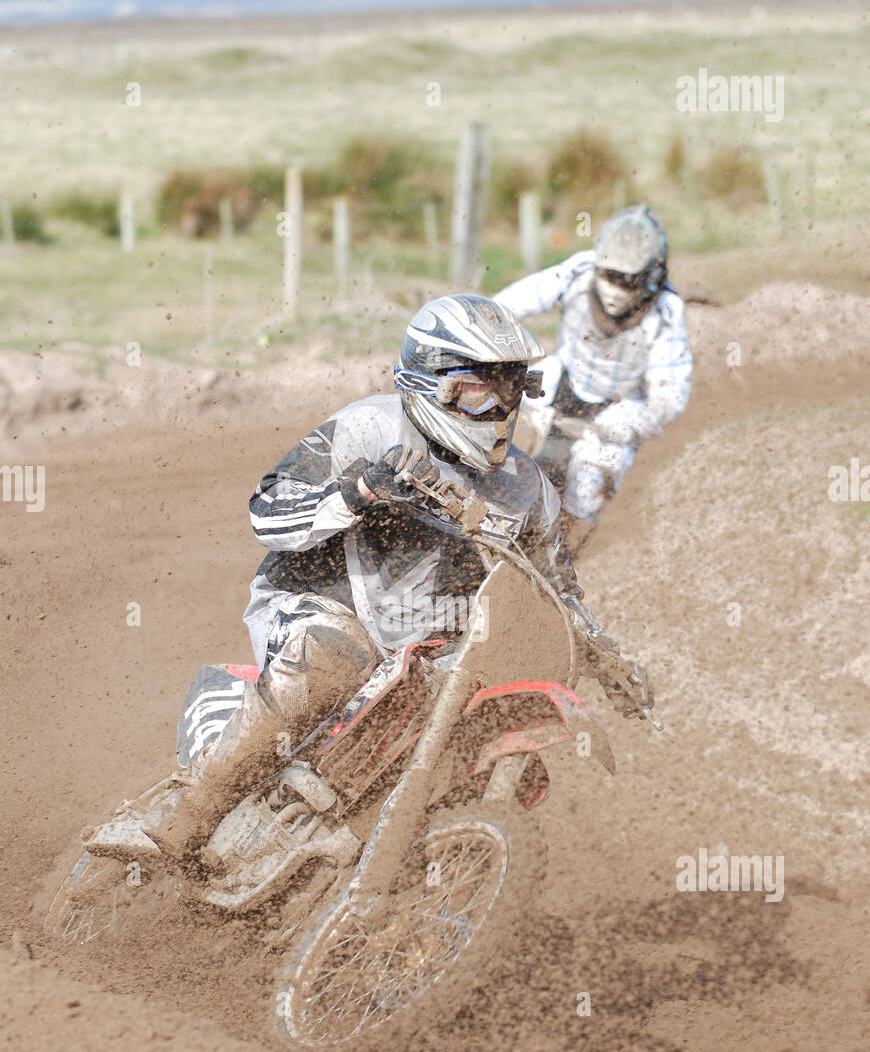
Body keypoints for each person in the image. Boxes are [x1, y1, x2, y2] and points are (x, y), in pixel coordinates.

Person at [94, 294, 654, 868]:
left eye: (512, 387)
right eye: (479, 387)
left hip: (428, 652)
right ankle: (179, 818)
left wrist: (606, 658)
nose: (499, 406)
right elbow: (267, 510)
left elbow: (557, 588)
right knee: (336, 653)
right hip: (317, 607)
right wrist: (357, 492)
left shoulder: (529, 489)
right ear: (430, 382)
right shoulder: (369, 427)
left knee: (474, 720)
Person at [494, 205, 692, 546]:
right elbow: (506, 305)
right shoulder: (577, 273)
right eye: (610, 276)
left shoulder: (666, 312)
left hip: (617, 410)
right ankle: (487, 522)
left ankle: (561, 555)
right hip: (557, 384)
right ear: (598, 265)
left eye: (628, 281)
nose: (616, 290)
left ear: (651, 278)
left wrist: (638, 418)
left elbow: (671, 391)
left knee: (588, 490)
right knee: (502, 434)